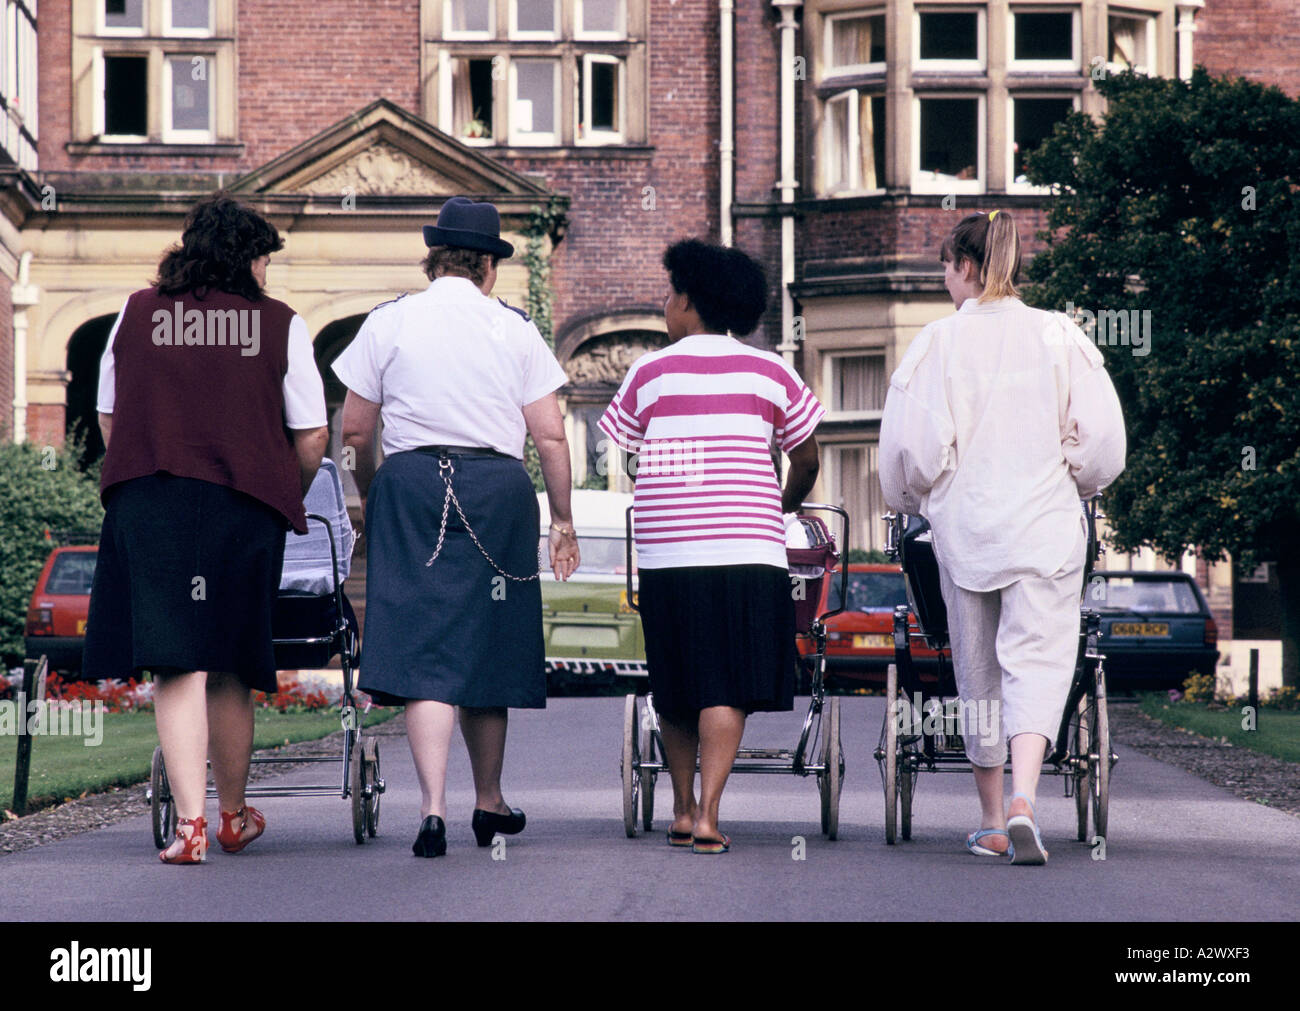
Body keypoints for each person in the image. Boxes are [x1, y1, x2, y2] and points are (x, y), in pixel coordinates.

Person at [85, 193, 330, 864]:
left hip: (153, 499)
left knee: (175, 659)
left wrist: (150, 458)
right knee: (230, 661)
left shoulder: (135, 314)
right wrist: (283, 488)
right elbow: (311, 436)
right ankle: (231, 816)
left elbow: (111, 415)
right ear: (250, 259)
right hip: (240, 507)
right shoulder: (280, 324)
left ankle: (187, 825)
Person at [879, 209, 1126, 864]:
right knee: (1038, 663)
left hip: (969, 528)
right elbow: (1100, 441)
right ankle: (1024, 799)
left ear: (964, 265)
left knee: (978, 669)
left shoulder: (937, 343)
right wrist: (1070, 479)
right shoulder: (1058, 335)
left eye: (944, 267)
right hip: (1044, 527)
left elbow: (912, 449)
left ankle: (991, 819)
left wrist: (912, 497)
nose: (943, 280)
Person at [334, 197, 579, 858]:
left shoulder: (390, 321)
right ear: (488, 267)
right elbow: (550, 436)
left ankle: (433, 808)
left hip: (412, 483)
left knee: (423, 645)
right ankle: (489, 800)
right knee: (489, 639)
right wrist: (563, 519)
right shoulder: (514, 328)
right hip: (497, 487)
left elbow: (354, 433)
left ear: (434, 259)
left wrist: (371, 491)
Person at [598, 239, 824, 854]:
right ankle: (711, 816)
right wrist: (780, 501)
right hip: (750, 549)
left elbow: (626, 455)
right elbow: (806, 460)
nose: (666, 305)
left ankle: (679, 805)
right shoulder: (772, 370)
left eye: (671, 294)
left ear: (690, 301)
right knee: (725, 684)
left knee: (677, 683)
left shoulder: (649, 372)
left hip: (670, 552)